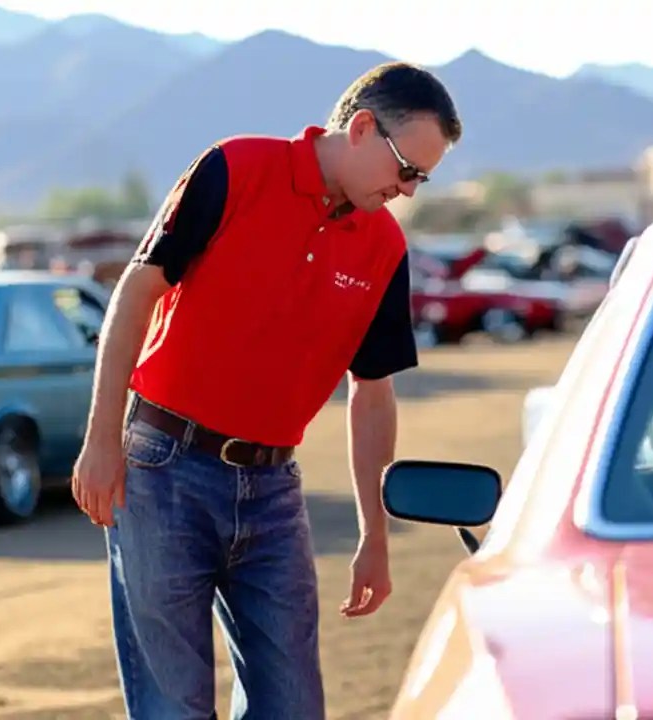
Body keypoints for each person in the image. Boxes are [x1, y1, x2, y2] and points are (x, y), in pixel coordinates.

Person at [70, 61, 462, 719]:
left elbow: (372, 390)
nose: (409, 191)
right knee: (173, 707)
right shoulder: (234, 169)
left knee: (293, 708)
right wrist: (101, 439)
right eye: (407, 170)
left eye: (422, 178)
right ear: (362, 128)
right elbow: (137, 293)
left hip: (273, 491)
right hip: (161, 470)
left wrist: (376, 534)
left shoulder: (385, 246)